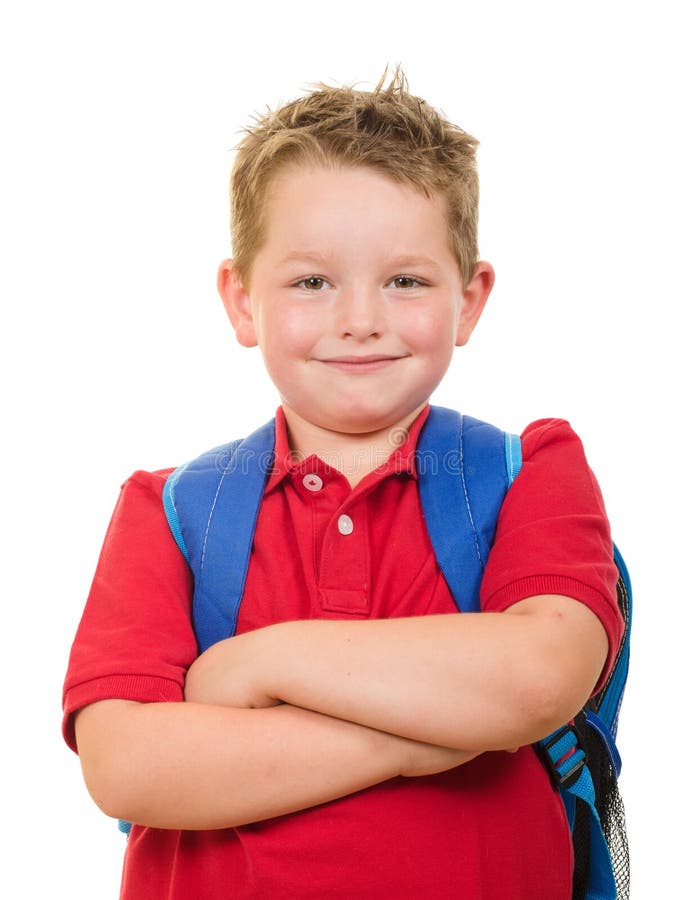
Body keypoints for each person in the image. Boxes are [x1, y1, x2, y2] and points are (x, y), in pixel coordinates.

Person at [62, 71, 623, 899]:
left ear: (469, 302)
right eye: (311, 281)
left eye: (406, 280)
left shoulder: (532, 472)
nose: (360, 317)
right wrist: (431, 735)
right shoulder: (169, 510)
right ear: (242, 299)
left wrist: (258, 667)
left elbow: (539, 677)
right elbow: (126, 766)